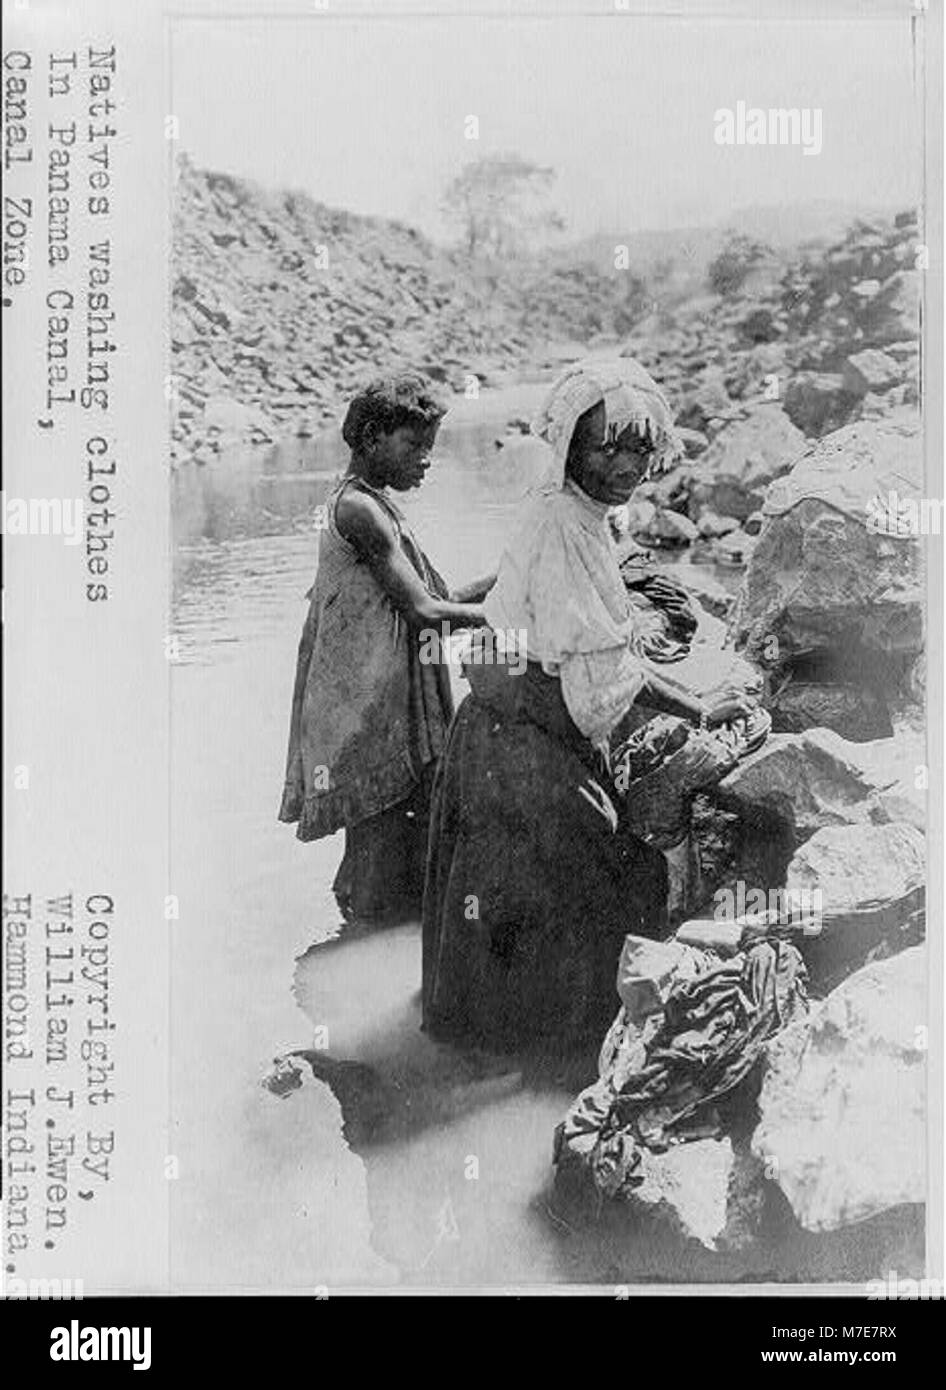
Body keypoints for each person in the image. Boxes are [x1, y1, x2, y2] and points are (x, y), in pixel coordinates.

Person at [422, 358, 752, 1050]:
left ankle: (505, 1045)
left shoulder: (579, 515)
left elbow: (597, 655)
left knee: (515, 890)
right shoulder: (566, 526)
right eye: (606, 446)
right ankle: (553, 1052)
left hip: (511, 721)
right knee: (593, 869)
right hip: (514, 735)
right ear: (570, 448)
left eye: (639, 446)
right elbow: (604, 669)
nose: (626, 462)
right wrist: (696, 708)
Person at [279, 373, 491, 924]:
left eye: (430, 449)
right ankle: (363, 961)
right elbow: (424, 611)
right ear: (372, 438)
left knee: (389, 844)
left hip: (371, 702)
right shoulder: (359, 510)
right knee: (377, 849)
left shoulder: (373, 505)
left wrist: (509, 579)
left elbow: (432, 600)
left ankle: (366, 950)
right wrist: (508, 619)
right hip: (363, 711)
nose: (425, 460)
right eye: (415, 446)